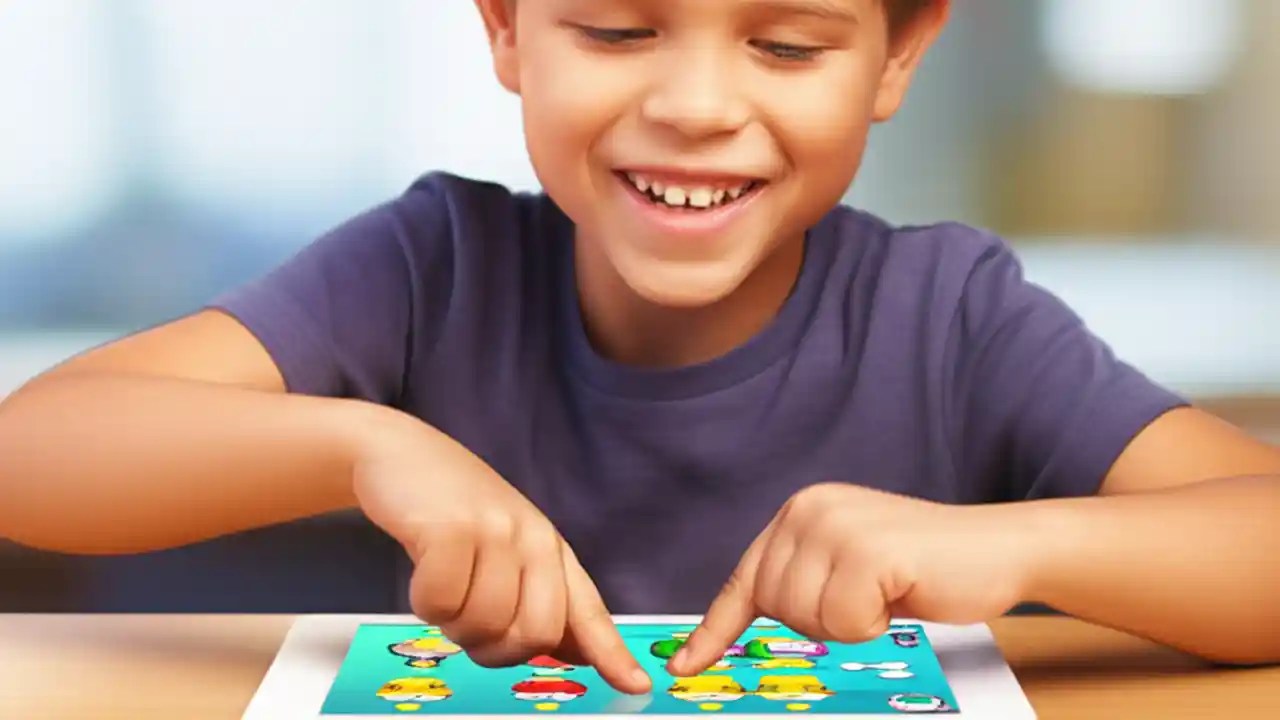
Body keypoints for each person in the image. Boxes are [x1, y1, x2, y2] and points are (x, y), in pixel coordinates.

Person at [2, 0, 1278, 696]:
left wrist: (1017, 542)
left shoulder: (950, 315)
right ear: (504, 29)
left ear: (896, 54)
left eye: (785, 43)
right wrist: (362, 447)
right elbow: (28, 454)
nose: (695, 107)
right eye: (616, 30)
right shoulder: (425, 266)